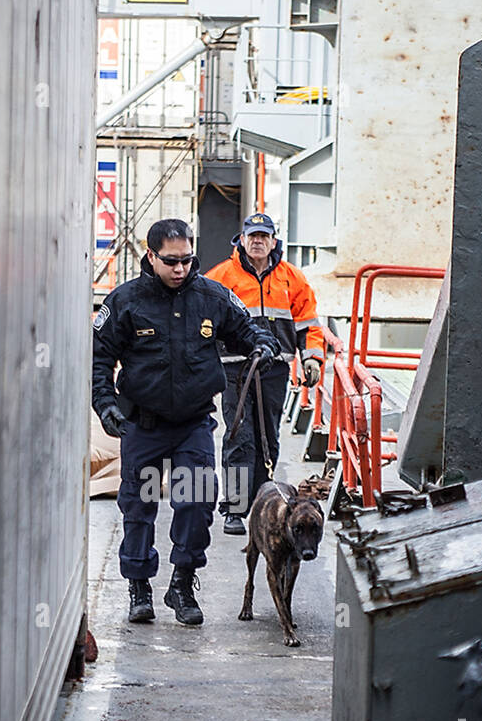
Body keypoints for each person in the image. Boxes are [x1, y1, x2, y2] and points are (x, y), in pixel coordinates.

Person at [92, 218, 279, 627]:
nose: (180, 270)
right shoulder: (125, 301)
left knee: (195, 502)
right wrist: (105, 404)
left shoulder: (213, 296)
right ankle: (139, 587)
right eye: (171, 262)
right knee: (138, 507)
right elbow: (100, 357)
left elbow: (248, 329)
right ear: (151, 256)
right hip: (142, 426)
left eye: (187, 261)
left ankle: (182, 582)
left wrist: (263, 343)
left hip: (192, 425)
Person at [206, 213, 326, 534]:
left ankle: (262, 503)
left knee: (267, 437)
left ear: (274, 241)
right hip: (235, 370)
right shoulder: (221, 277)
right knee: (238, 436)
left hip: (274, 371)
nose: (258, 241)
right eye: (252, 236)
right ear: (241, 240)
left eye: (264, 236)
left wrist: (312, 358)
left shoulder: (292, 279)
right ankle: (234, 508)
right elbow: (202, 323)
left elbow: (309, 324)